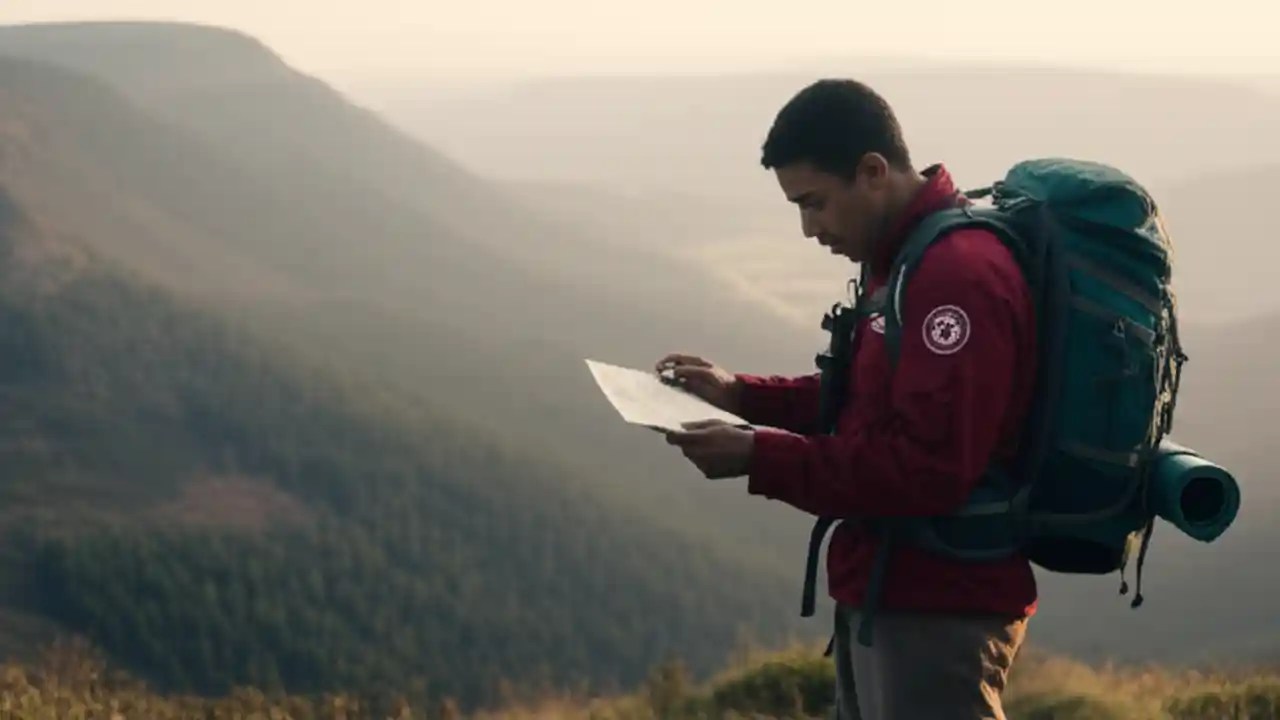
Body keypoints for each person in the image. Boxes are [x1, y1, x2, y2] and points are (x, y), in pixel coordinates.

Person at [658, 78, 1039, 720]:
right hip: (891, 591)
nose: (809, 229)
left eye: (816, 203)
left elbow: (927, 470)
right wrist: (740, 395)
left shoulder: (955, 278)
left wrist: (760, 457)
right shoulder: (904, 259)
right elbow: (867, 400)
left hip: (939, 604)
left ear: (871, 172)